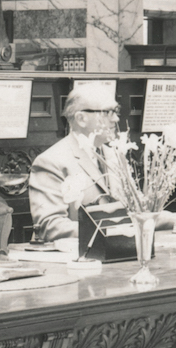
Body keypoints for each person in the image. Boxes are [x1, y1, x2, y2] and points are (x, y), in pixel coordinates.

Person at [28, 85, 119, 241]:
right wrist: (114, 230)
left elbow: (138, 211)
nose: (115, 119)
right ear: (81, 119)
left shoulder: (115, 155)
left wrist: (175, 220)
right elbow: (50, 226)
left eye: (116, 111)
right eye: (107, 112)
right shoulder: (52, 161)